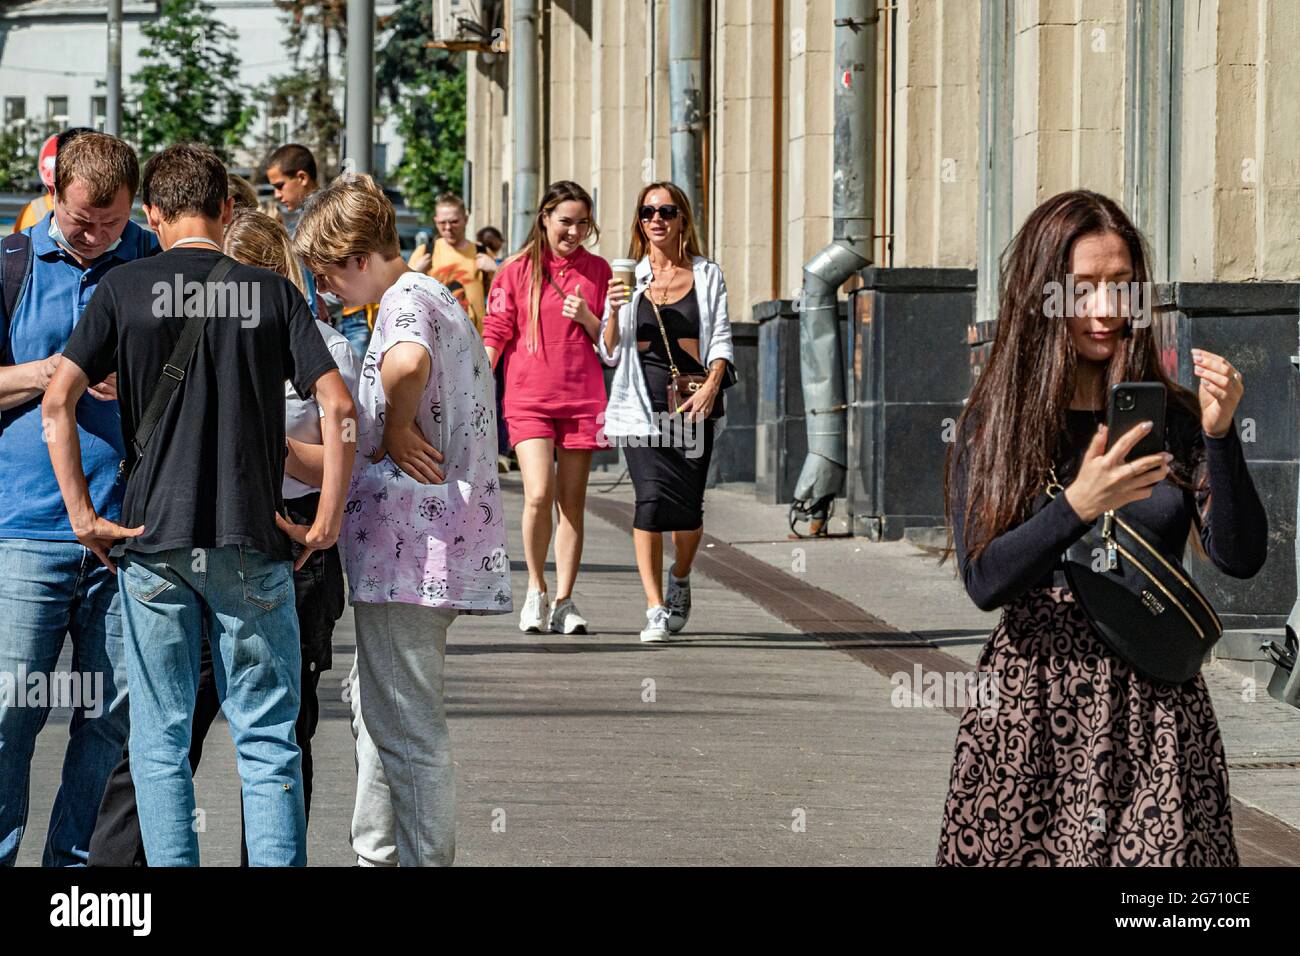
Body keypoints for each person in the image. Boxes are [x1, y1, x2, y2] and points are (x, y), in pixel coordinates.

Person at [43, 143, 356, 867]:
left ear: (153, 214)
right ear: (225, 209)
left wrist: (83, 515)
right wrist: (327, 519)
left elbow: (58, 401)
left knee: (159, 739)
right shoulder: (272, 294)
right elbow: (339, 407)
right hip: (252, 539)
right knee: (268, 738)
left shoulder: (123, 289)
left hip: (152, 542)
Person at [937, 190, 1267, 866]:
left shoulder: (1172, 420)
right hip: (1033, 708)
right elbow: (985, 580)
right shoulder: (997, 425)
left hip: (1157, 706)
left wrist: (1219, 434)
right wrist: (1078, 505)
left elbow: (1240, 557)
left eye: (1122, 284)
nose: (1107, 308)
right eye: (1084, 287)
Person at [294, 173, 511, 866]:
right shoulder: (433, 294)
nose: (325, 288)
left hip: (408, 553)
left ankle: (417, 857)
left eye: (328, 272)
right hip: (424, 549)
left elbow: (408, 362)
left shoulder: (404, 302)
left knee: (407, 728)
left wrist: (396, 422)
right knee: (383, 713)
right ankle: (379, 853)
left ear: (360, 257)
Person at [0, 131, 156, 867]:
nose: (95, 237)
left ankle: (73, 874)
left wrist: (145, 373)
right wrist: (58, 371)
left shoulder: (154, 261)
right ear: (53, 196)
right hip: (27, 526)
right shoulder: (11, 262)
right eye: (81, 221)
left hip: (130, 529)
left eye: (112, 223)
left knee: (110, 718)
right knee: (11, 710)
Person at [599, 182, 734, 643]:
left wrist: (713, 386)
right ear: (640, 222)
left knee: (688, 512)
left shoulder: (707, 274)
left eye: (666, 211)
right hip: (640, 406)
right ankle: (655, 607)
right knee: (651, 502)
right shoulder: (629, 277)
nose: (656, 219)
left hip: (692, 405)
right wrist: (613, 311)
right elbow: (610, 353)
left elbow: (720, 337)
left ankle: (681, 574)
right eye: (647, 212)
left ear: (682, 220)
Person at [481, 181, 610, 635]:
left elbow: (611, 342)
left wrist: (588, 318)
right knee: (538, 493)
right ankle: (535, 589)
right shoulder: (516, 270)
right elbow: (495, 330)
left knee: (571, 504)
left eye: (582, 223)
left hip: (582, 397)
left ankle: (564, 600)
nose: (574, 232)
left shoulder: (599, 270)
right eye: (565, 222)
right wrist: (476, 383)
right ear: (544, 218)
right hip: (528, 398)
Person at [408, 193, 495, 332]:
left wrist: (495, 270)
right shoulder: (425, 252)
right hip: (437, 337)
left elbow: (500, 296)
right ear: (435, 221)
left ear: (466, 220)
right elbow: (404, 295)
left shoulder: (482, 252)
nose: (448, 227)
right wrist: (415, 273)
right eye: (442, 222)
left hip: (476, 338)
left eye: (454, 222)